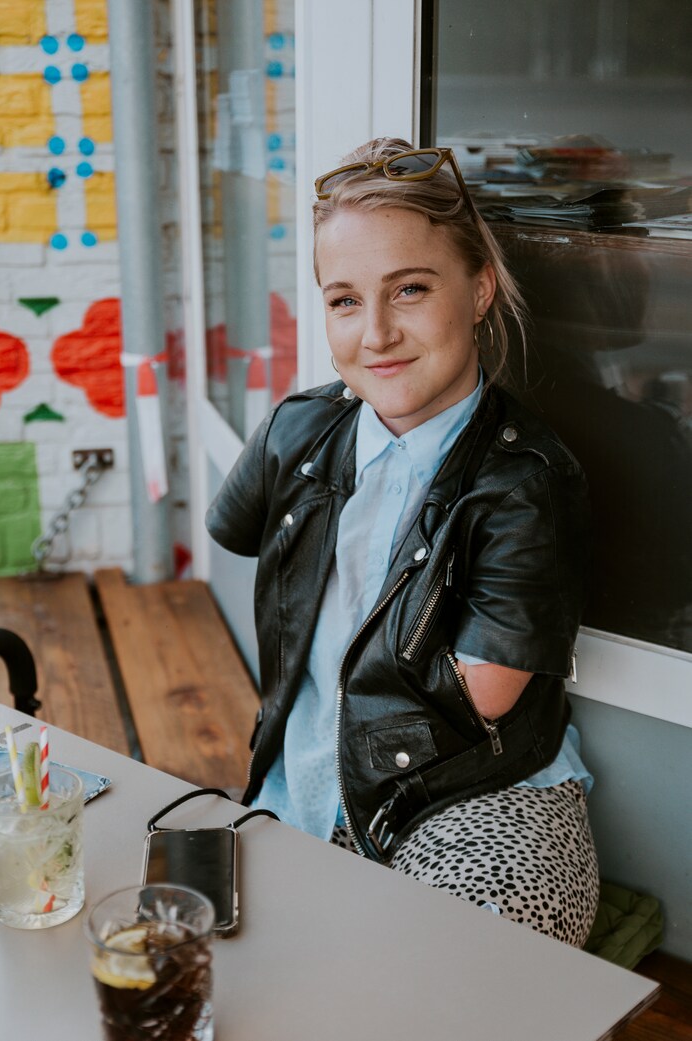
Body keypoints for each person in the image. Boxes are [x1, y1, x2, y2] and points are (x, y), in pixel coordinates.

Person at [206, 138, 599, 947]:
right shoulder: (302, 429)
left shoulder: (524, 479)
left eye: (410, 289)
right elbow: (232, 529)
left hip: (469, 789)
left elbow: (476, 696)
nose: (376, 331)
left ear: (480, 289)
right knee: (221, 952)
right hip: (310, 775)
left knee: (454, 957)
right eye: (344, 300)